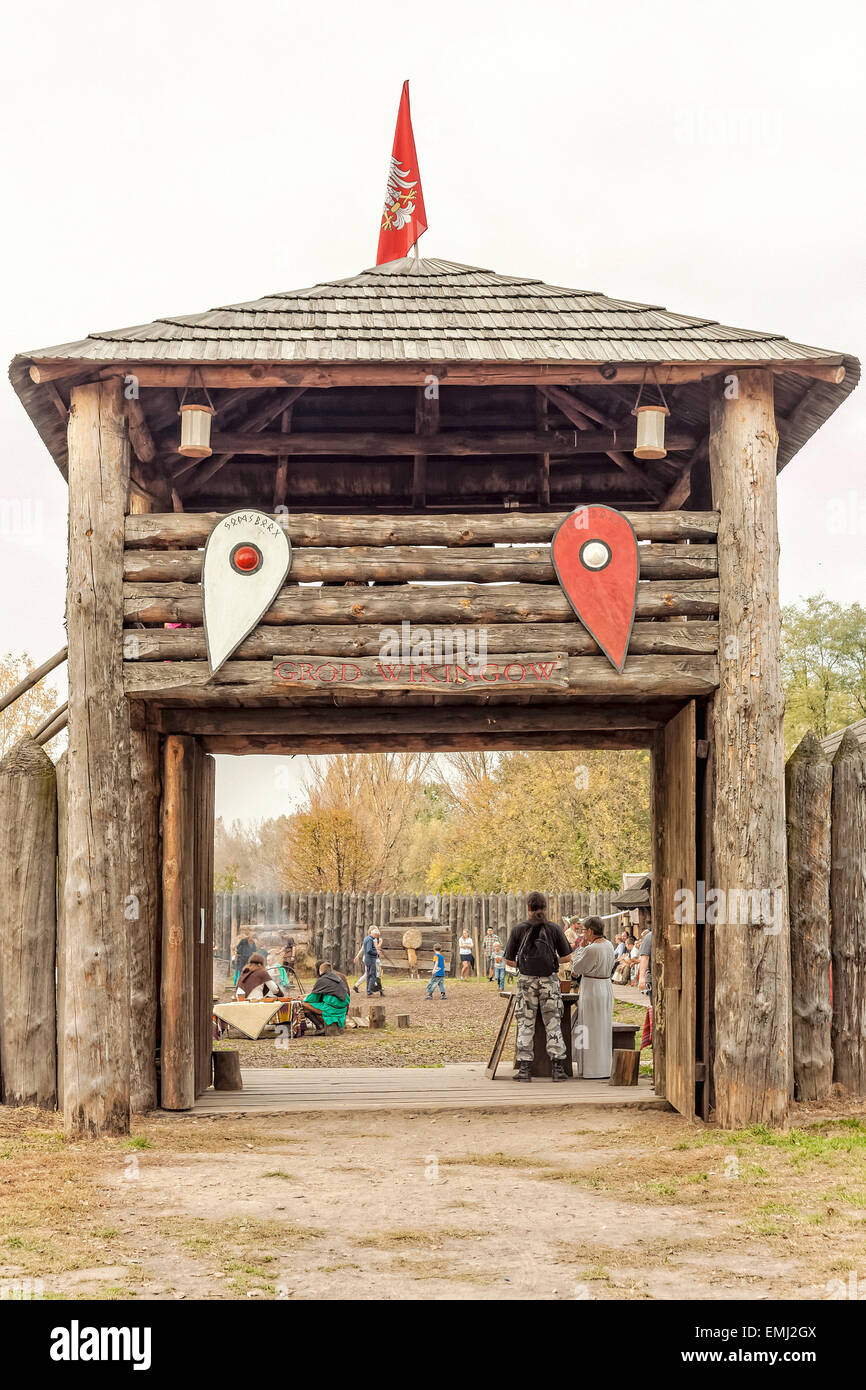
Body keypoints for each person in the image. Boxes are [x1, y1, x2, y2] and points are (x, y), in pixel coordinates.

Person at [504, 892, 573, 1083]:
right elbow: (567, 957)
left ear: (528, 908)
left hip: (526, 981)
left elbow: (509, 960)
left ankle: (525, 1068)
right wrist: (551, 961)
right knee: (553, 1021)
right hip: (549, 981)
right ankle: (557, 1068)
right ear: (545, 908)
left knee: (526, 1022)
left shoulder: (518, 929)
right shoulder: (554, 928)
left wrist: (526, 965)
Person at [571, 917, 616, 1079]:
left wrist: (580, 949)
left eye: (584, 931)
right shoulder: (609, 945)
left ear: (590, 931)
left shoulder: (592, 949)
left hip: (592, 989)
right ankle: (604, 1067)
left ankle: (592, 1069)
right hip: (605, 986)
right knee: (602, 1028)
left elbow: (576, 969)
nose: (583, 934)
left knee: (589, 1027)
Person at [303, 960, 350, 1032]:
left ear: (320, 971)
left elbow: (313, 998)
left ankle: (320, 1027)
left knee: (304, 1005)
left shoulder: (322, 979)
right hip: (342, 1009)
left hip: (333, 1009)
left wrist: (304, 999)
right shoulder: (338, 978)